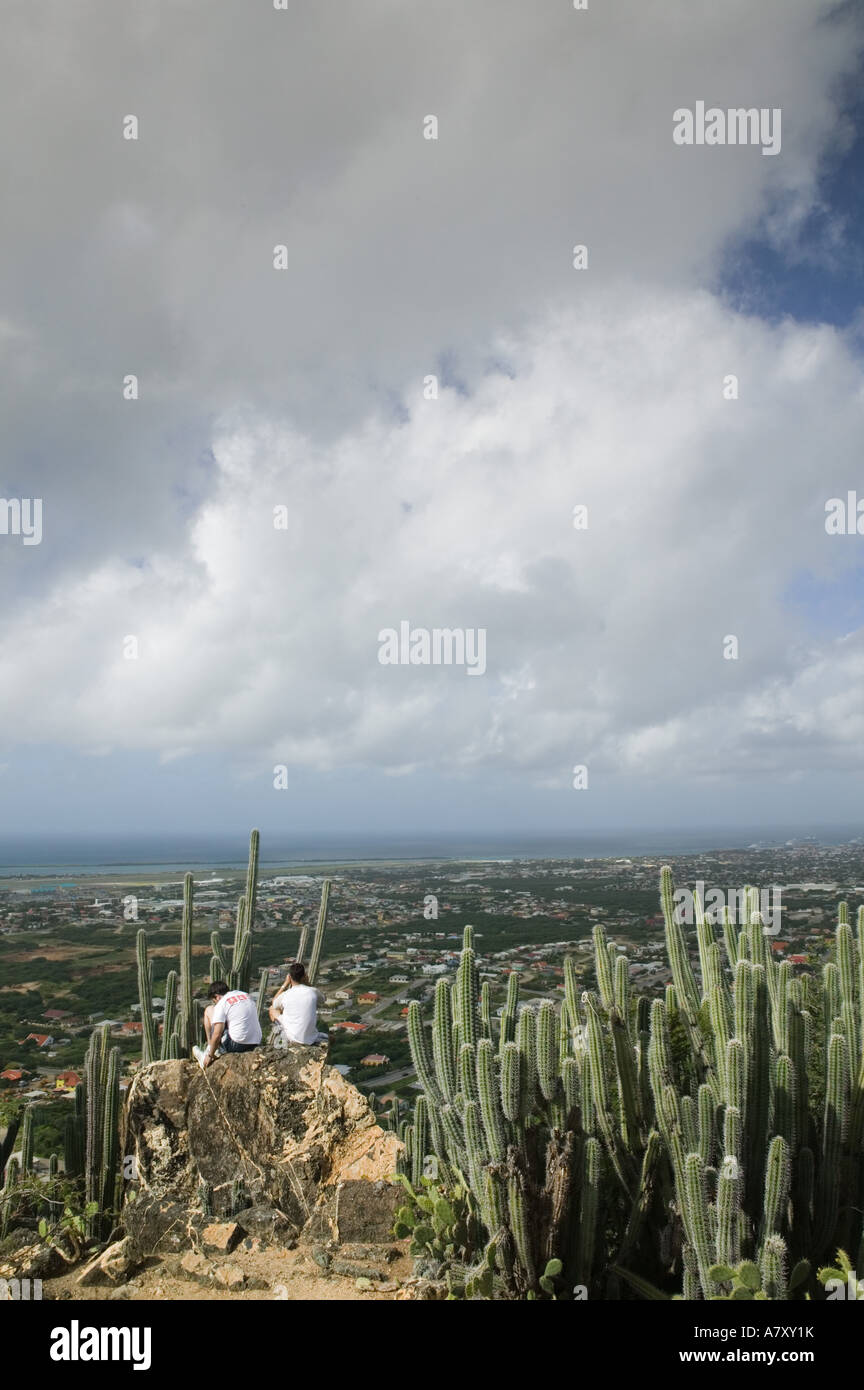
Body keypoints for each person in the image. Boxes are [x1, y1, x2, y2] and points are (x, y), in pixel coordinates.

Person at [192, 981, 262, 1069]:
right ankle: (213, 1049)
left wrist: (210, 1055)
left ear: (217, 997)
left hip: (237, 1045)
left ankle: (208, 1052)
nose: (215, 1003)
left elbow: (217, 1034)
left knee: (209, 1010)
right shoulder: (245, 995)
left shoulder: (222, 1003)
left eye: (214, 1001)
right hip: (255, 1042)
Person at [269, 962, 327, 1045]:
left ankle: (281, 1035)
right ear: (304, 976)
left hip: (293, 1037)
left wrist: (285, 984)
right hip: (311, 1037)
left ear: (290, 977)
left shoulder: (286, 994)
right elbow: (323, 999)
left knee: (272, 1009)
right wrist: (307, 982)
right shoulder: (313, 991)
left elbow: (274, 1003)